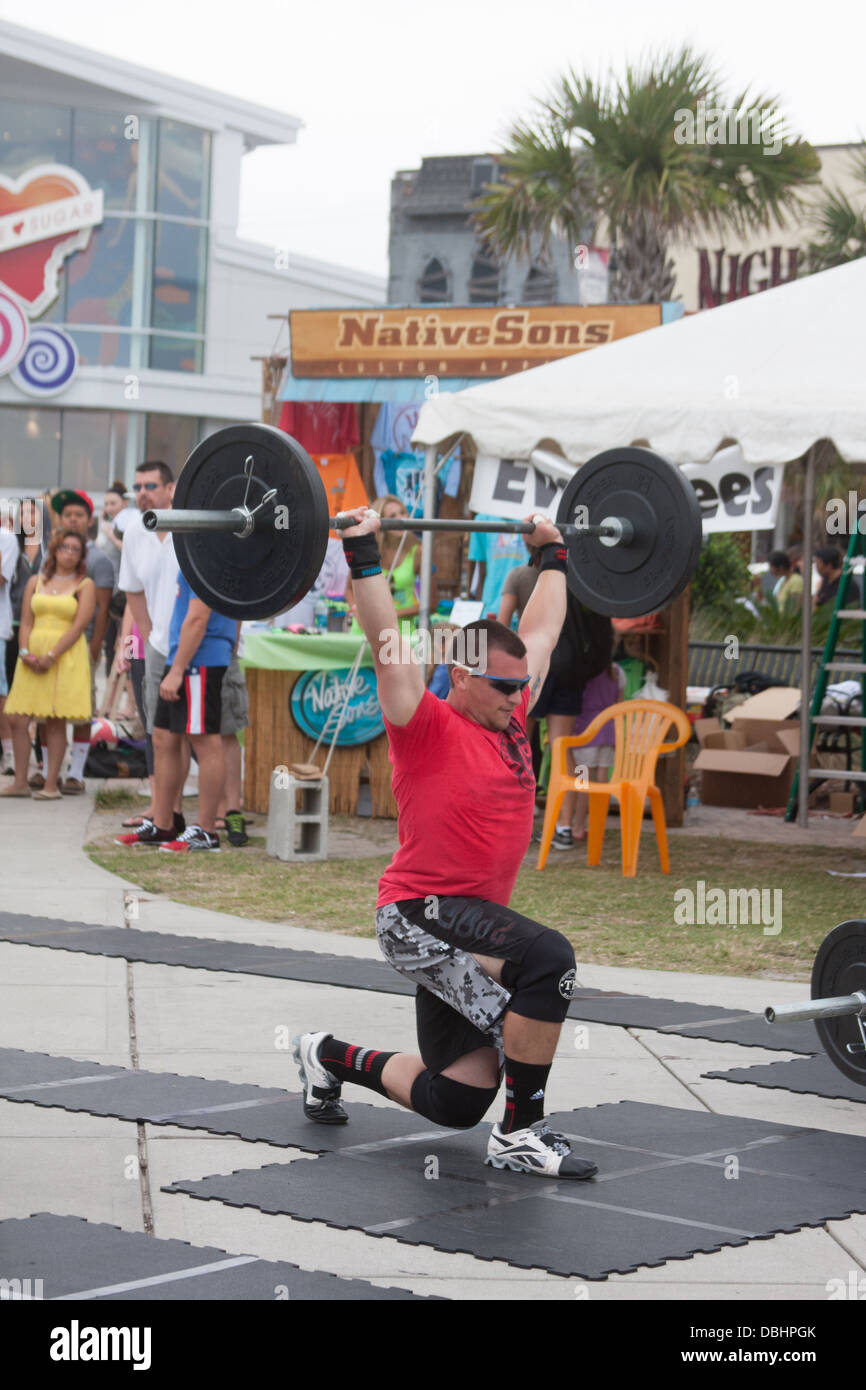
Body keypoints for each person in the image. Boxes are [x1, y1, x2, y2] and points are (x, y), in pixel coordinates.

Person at [292, 506, 598, 1180]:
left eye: (522, 687)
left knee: (456, 1097)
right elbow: (385, 639)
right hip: (419, 914)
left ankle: (327, 1055)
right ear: (460, 675)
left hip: (469, 929)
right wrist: (363, 548)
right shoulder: (422, 722)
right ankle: (522, 1133)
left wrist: (555, 554)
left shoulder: (508, 709)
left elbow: (542, 628)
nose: (517, 697)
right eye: (503, 686)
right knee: (548, 960)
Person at [116, 571, 234, 851]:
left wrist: (179, 668)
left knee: (205, 741)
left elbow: (198, 618)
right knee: (163, 737)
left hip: (199, 658)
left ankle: (207, 830)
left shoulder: (208, 555)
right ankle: (164, 823)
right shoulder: (195, 553)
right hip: (180, 654)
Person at [115, 461, 187, 832]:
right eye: (137, 486)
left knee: (185, 734)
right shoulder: (133, 532)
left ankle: (183, 811)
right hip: (154, 645)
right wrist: (146, 634)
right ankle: (162, 813)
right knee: (157, 733)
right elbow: (131, 589)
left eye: (151, 485)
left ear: (171, 489)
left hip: (193, 643)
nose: (142, 492)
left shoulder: (190, 525)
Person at [2, 530, 94, 799]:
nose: (69, 552)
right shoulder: (35, 581)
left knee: (55, 720)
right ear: (54, 550)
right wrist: (24, 651)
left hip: (63, 656)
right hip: (31, 655)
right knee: (17, 717)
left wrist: (52, 655)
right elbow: (26, 621)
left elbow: (79, 627)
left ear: (81, 555)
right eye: (64, 547)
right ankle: (20, 781)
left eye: (75, 548)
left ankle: (51, 784)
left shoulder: (84, 584)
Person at [40, 490, 113, 794]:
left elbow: (103, 610)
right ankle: (48, 772)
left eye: (78, 515)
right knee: (48, 711)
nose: (72, 519)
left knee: (82, 711)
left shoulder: (99, 559)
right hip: (49, 647)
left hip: (81, 647)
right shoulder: (51, 554)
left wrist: (95, 647)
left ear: (89, 520)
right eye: (67, 514)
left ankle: (77, 773)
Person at [346, 495, 424, 631]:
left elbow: (431, 602)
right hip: (365, 628)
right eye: (393, 516)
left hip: (403, 629)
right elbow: (349, 589)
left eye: (403, 512)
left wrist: (392, 614)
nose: (400, 519)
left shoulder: (418, 551)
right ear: (378, 522)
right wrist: (355, 610)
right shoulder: (366, 549)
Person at [570, 661, 627, 841]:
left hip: (585, 732)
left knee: (582, 783)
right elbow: (620, 703)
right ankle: (597, 825)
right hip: (608, 732)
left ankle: (578, 826)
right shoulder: (618, 671)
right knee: (603, 778)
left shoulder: (583, 669)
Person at [468, 513, 529, 617]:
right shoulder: (483, 519)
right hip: (491, 610)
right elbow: (481, 572)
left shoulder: (532, 519)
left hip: (525, 612)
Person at [767, 550, 804, 614]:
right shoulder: (784, 580)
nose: (770, 570)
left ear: (781, 567)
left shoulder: (796, 580)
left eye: (771, 567)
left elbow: (795, 606)